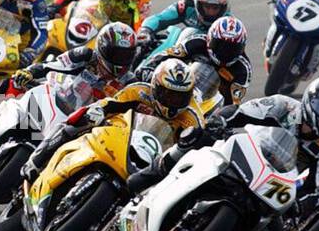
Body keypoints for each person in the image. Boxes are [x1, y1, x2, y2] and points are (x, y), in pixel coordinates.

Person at [129, 76, 319, 231]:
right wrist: (221, 120)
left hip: (273, 183)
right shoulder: (283, 105)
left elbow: (315, 187)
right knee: (195, 138)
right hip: (245, 155)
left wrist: (301, 204)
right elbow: (242, 111)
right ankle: (151, 173)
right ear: (311, 100)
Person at [21, 58, 203, 184]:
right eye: (168, 94)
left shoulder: (192, 119)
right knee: (82, 118)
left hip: (151, 160)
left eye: (180, 98)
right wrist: (99, 110)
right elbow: (111, 103)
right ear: (155, 86)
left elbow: (191, 150)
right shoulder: (139, 91)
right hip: (117, 134)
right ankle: (38, 158)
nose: (172, 102)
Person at [8, 22, 137, 106]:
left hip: (90, 127)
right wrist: (30, 71)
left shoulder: (130, 82)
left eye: (126, 55)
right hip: (61, 105)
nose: (120, 60)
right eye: (115, 53)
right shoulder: (84, 55)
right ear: (102, 47)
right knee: (17, 81)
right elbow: (50, 65)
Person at [137, 15, 252, 107]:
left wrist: (221, 118)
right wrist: (149, 67)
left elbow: (234, 104)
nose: (225, 53)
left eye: (232, 49)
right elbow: (167, 54)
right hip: (177, 89)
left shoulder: (243, 69)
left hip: (207, 107)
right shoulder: (197, 42)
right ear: (210, 38)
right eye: (220, 46)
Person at [135, 0, 231, 61]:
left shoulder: (228, 22)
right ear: (198, 4)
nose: (210, 12)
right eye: (207, 7)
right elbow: (160, 18)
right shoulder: (186, 7)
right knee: (147, 45)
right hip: (179, 50)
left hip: (208, 59)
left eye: (215, 8)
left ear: (223, 8)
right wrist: (146, 30)